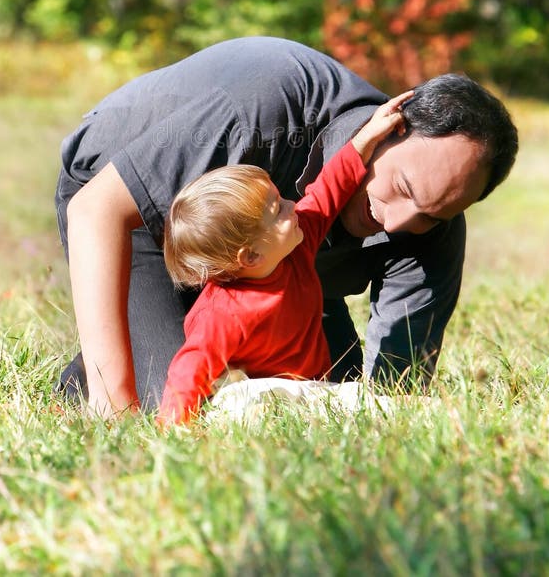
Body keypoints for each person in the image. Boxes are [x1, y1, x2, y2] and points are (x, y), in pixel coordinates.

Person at [55, 36, 518, 416]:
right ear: (392, 125)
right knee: (185, 406)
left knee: (328, 403)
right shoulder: (261, 110)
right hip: (135, 215)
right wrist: (113, 404)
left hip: (276, 271)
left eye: (432, 215)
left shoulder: (435, 222)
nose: (397, 223)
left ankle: (156, 331)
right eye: (404, 188)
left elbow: (393, 394)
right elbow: (95, 210)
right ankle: (105, 363)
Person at [159, 93, 412, 424]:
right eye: (278, 209)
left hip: (315, 388)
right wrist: (174, 429)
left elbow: (327, 190)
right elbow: (189, 371)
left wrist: (365, 139)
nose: (293, 206)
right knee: (239, 401)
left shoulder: (293, 247)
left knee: (353, 399)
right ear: (250, 255)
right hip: (271, 401)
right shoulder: (223, 313)